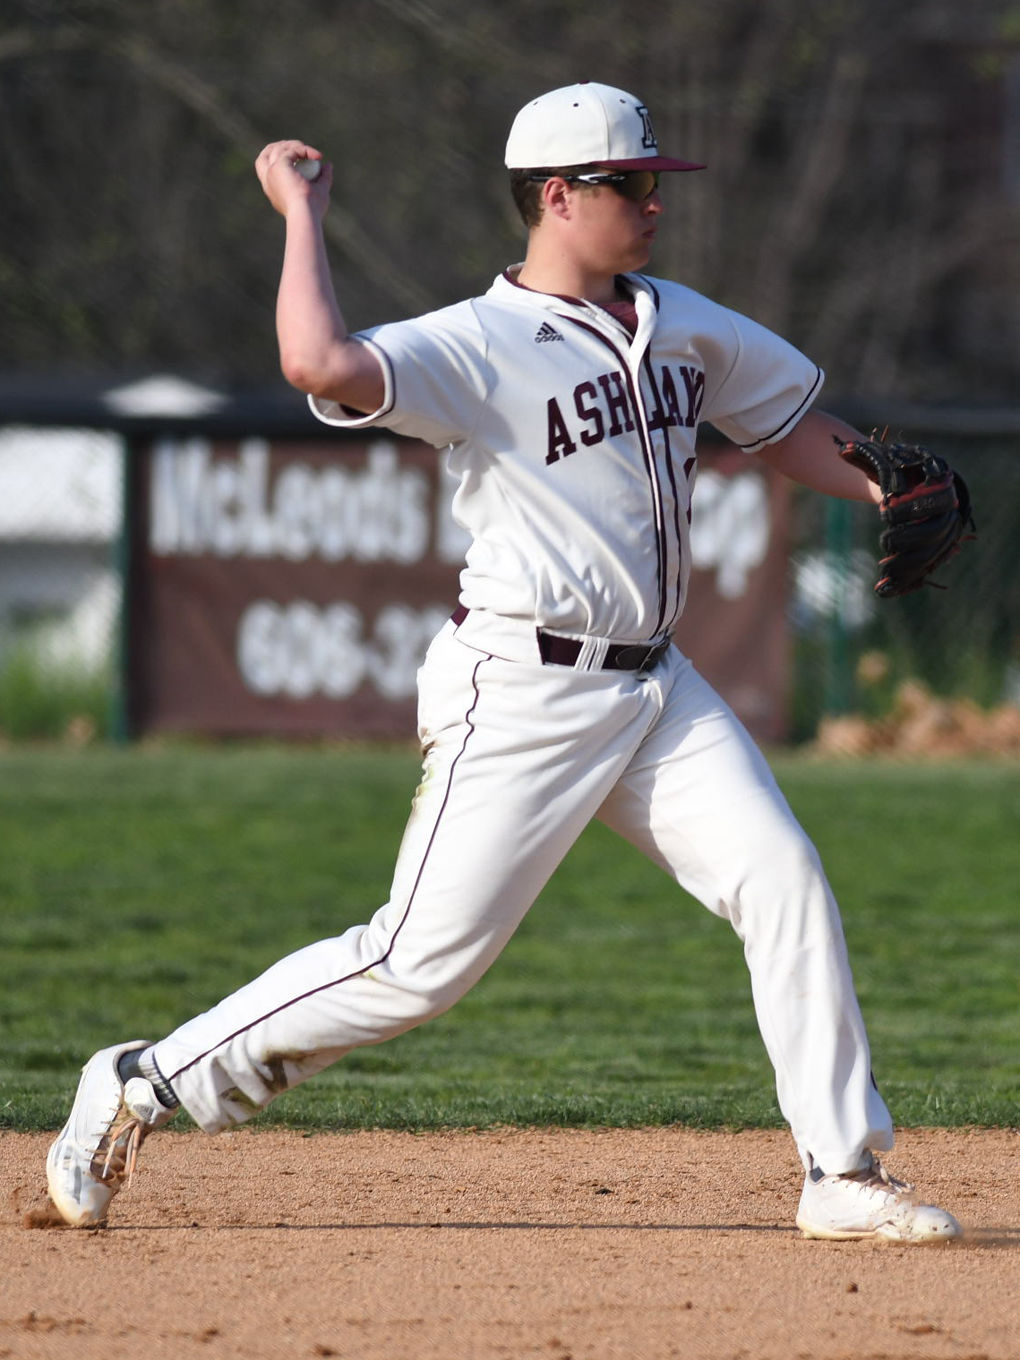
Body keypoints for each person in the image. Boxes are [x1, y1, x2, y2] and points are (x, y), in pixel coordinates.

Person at [47, 81, 961, 1242]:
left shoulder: (680, 321)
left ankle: (842, 1170)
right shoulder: (475, 344)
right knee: (417, 966)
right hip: (523, 689)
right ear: (557, 195)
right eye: (631, 185)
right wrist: (300, 212)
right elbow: (319, 363)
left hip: (655, 687)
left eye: (654, 182)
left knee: (782, 878)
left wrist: (885, 479)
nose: (652, 204)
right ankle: (145, 1076)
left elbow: (779, 427)